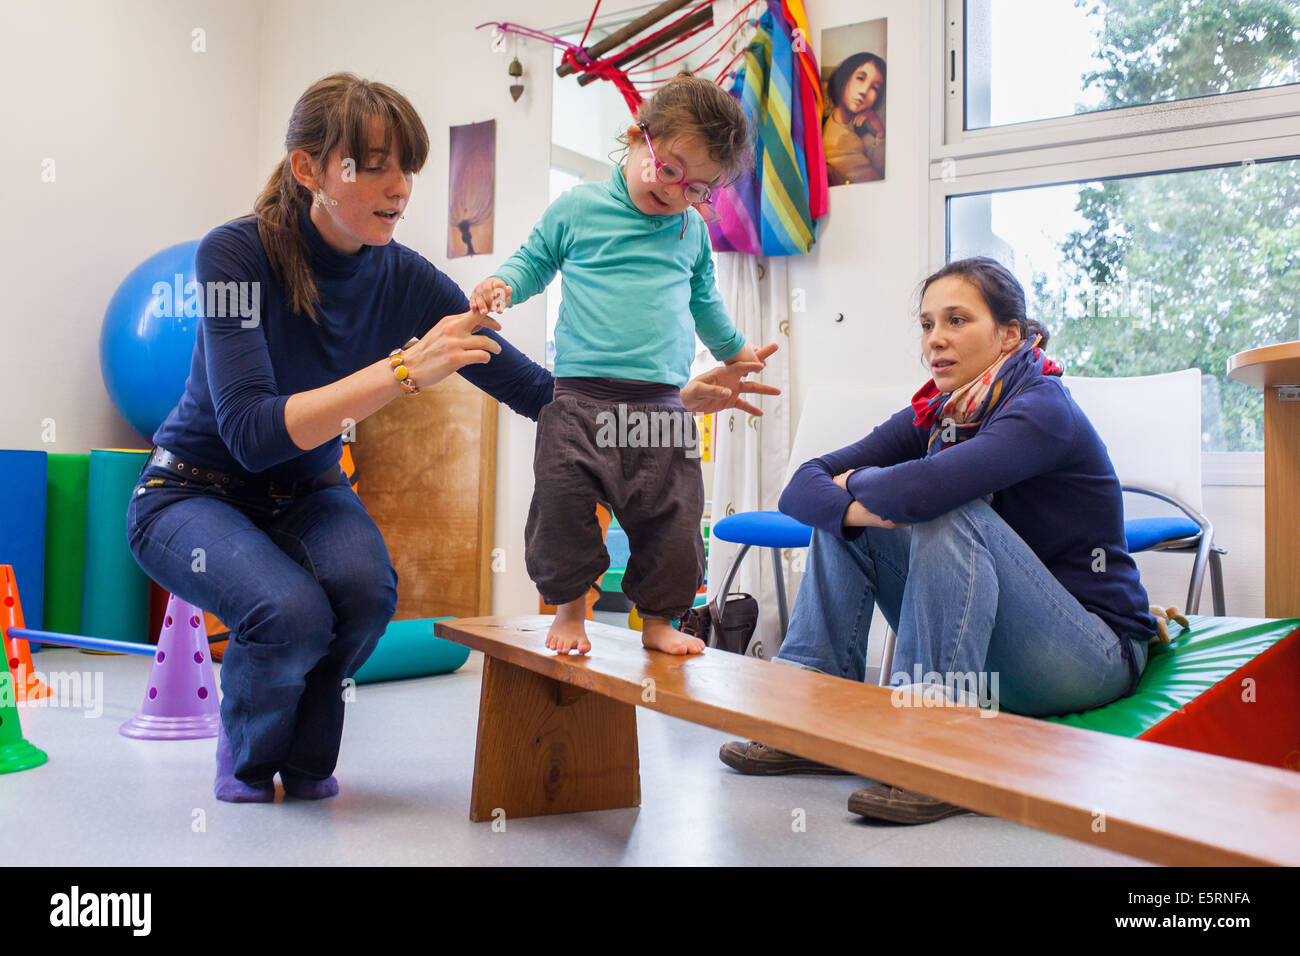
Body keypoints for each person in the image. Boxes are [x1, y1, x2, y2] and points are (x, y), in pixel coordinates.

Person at [126, 72, 778, 804]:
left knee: (366, 595)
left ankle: (305, 761)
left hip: (307, 490)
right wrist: (404, 368)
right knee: (289, 613)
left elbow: (538, 392)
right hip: (191, 491)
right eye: (371, 165)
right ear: (308, 169)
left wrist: (666, 405)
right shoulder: (231, 257)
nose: (399, 186)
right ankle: (249, 760)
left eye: (406, 165)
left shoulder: (402, 276)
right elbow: (249, 431)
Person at [719, 257, 1158, 825]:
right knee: (844, 522)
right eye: (927, 325)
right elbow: (801, 486)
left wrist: (856, 486)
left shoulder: (1043, 409)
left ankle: (938, 750)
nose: (936, 340)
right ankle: (812, 726)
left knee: (947, 512)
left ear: (1010, 336)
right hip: (1007, 646)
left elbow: (926, 493)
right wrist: (853, 505)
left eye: (957, 321)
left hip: (1091, 653)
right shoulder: (937, 411)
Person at [469, 74, 760, 657]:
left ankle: (658, 621)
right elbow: (534, 260)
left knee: (672, 523)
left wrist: (735, 350)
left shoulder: (690, 232)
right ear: (637, 136)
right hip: (578, 399)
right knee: (562, 509)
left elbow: (705, 301)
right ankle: (571, 612)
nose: (678, 191)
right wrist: (503, 284)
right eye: (670, 169)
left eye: (698, 188)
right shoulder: (579, 208)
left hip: (661, 404)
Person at [822, 52, 886, 186]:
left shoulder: (862, 134)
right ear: (844, 78)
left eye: (874, 87)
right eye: (860, 78)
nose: (864, 91)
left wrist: (879, 132)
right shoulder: (829, 136)